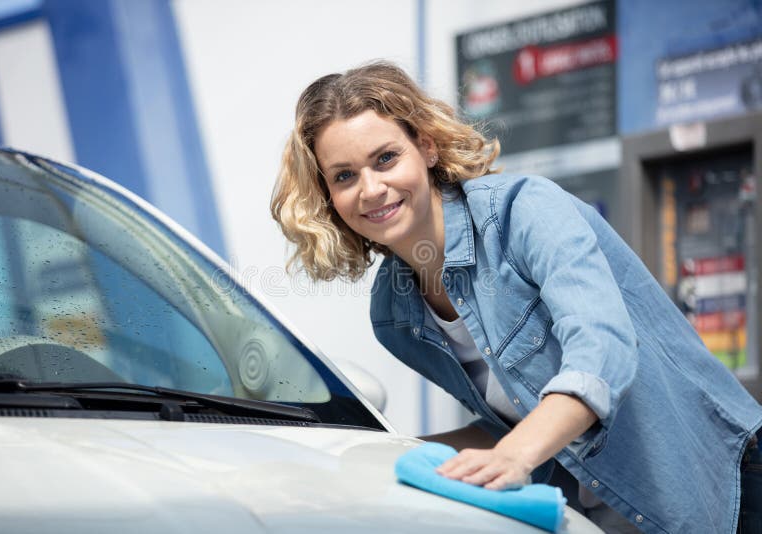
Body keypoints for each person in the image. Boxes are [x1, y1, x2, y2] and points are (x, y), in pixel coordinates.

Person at [270, 60, 762, 533]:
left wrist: (515, 454)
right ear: (328, 197)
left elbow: (603, 351)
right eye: (345, 176)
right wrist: (376, 457)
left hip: (721, 486)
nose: (372, 189)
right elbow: (509, 424)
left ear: (426, 148)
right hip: (598, 514)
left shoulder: (523, 211)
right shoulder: (393, 313)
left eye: (386, 158)